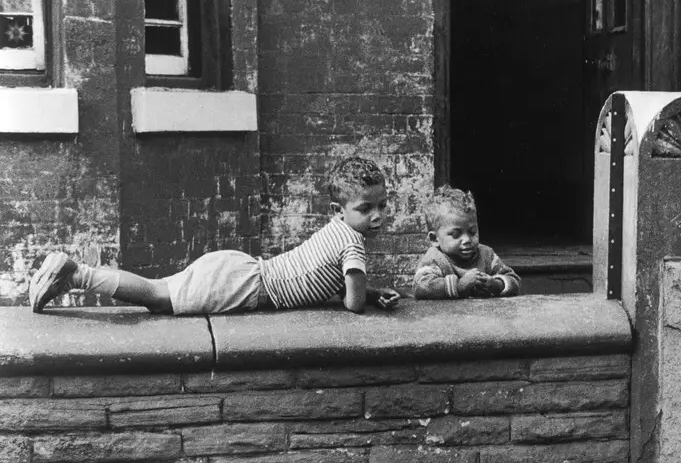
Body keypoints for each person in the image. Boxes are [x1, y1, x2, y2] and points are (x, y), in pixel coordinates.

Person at [28, 156, 401, 315]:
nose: (377, 216)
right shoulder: (352, 242)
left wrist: (370, 291)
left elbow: (329, 281)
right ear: (339, 211)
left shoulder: (336, 230)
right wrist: (365, 295)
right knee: (158, 297)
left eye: (381, 206)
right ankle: (76, 274)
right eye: (365, 209)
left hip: (240, 270)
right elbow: (350, 304)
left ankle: (74, 274)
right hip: (247, 285)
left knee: (158, 289)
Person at [412, 186, 520, 299]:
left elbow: (514, 280)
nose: (467, 240)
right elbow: (420, 286)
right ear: (434, 239)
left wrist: (497, 284)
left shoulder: (486, 255)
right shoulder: (435, 259)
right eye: (456, 235)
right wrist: (459, 286)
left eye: (472, 232)